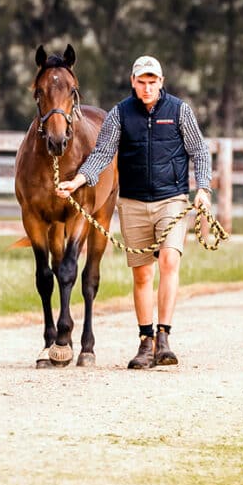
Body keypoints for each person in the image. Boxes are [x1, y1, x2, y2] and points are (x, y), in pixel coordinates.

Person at [56, 55, 212, 369]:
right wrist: (78, 180)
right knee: (142, 274)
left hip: (172, 199)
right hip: (133, 202)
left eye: (152, 81)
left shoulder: (180, 111)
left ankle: (164, 337)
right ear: (133, 82)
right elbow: (101, 154)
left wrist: (204, 189)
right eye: (141, 81)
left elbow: (200, 150)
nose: (147, 87)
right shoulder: (119, 115)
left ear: (161, 82)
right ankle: (146, 341)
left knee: (169, 260)